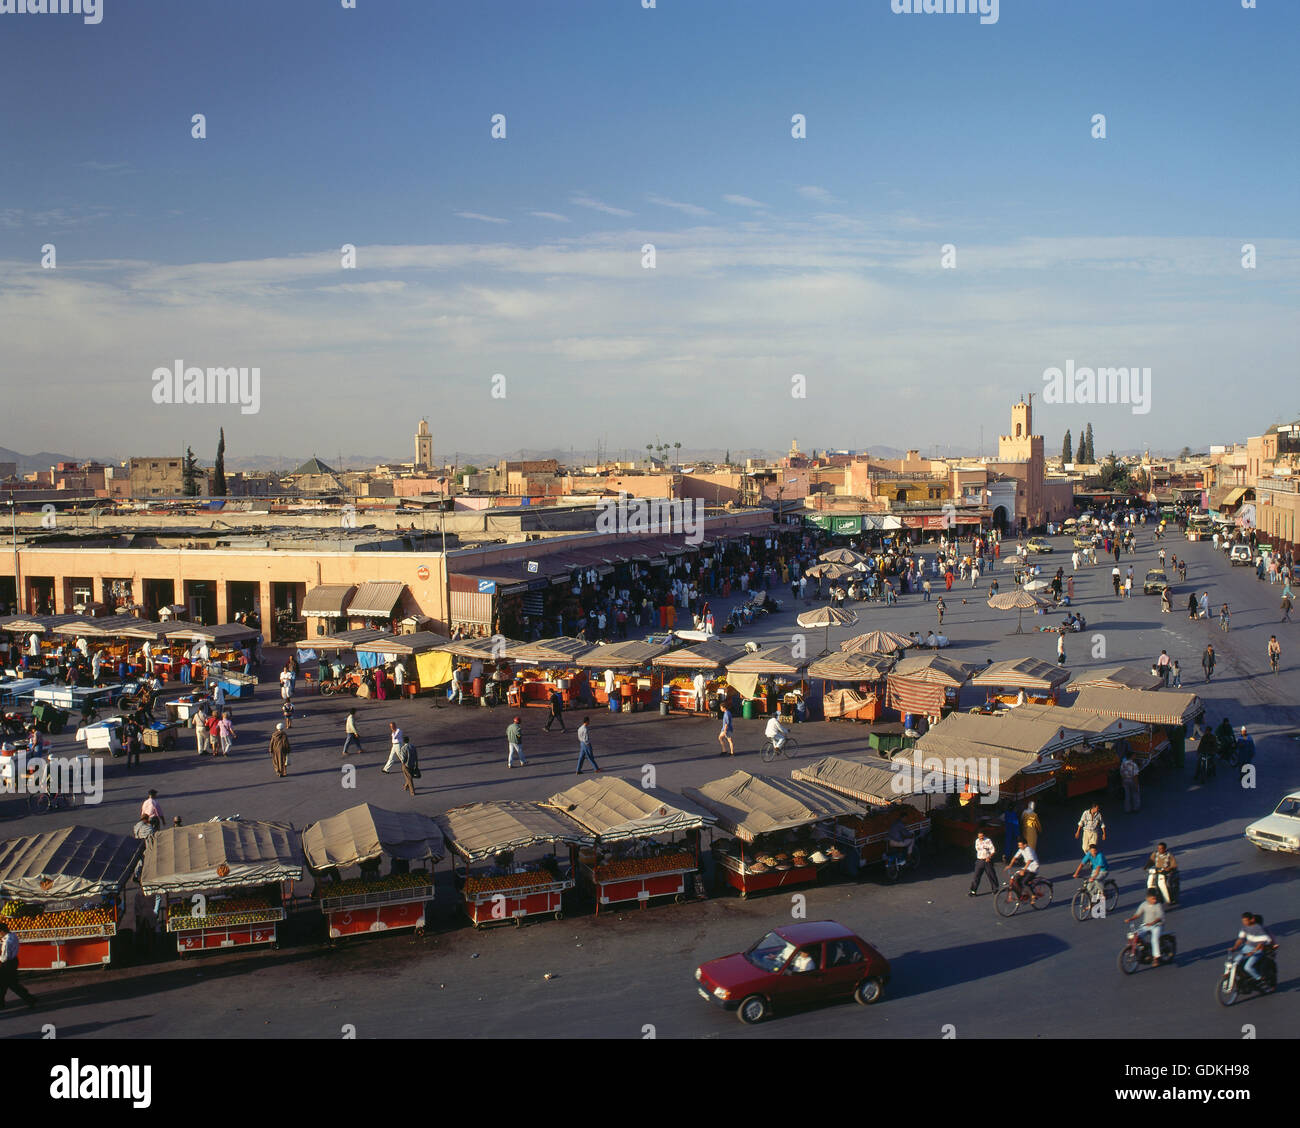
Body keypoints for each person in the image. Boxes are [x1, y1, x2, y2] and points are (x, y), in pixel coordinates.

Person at [1228, 912, 1275, 987]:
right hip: (1247, 947)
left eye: (1246, 921)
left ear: (1252, 920)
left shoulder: (1258, 928)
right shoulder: (1244, 928)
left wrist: (1253, 952)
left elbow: (1261, 943)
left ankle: (1260, 979)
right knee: (1235, 962)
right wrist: (1235, 947)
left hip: (1258, 950)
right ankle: (1244, 977)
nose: (1244, 922)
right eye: (1243, 921)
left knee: (1248, 967)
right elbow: (1240, 939)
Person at [0, 921, 36, 1011]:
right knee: (7, 984)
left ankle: (30, 999)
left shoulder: (7, 942)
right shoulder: (13, 936)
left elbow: (4, 957)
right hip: (14, 961)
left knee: (9, 984)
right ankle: (29, 999)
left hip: (7, 964)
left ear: (2, 931)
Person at [1126, 892, 1166, 965]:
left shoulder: (1158, 905)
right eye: (1152, 899)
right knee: (1136, 936)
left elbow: (1159, 918)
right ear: (1147, 898)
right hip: (1146, 926)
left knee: (1154, 939)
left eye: (1155, 898)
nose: (1154, 900)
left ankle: (1156, 957)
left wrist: (1152, 923)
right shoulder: (1144, 905)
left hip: (1157, 926)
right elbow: (1138, 914)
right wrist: (1130, 919)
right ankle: (1145, 950)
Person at [969, 830, 999, 896]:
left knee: (991, 875)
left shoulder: (988, 840)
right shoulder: (976, 841)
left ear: (984, 835)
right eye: (979, 836)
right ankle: (973, 891)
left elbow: (993, 850)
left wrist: (989, 857)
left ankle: (995, 889)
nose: (981, 837)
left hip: (987, 861)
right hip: (979, 860)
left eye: (982, 836)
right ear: (978, 836)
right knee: (976, 876)